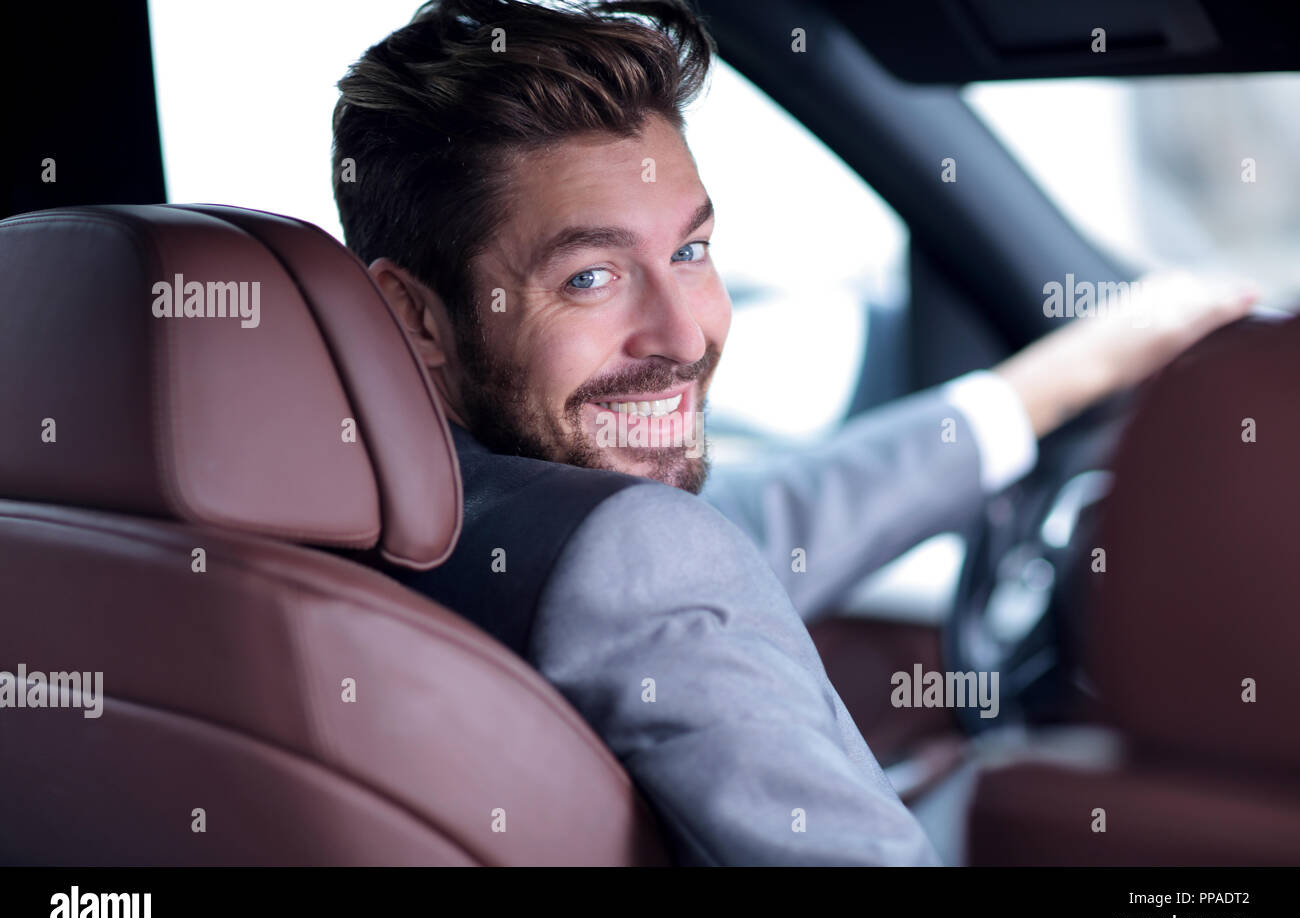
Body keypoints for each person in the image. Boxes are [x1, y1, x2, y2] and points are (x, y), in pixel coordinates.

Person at [331, 0, 1256, 864]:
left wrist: (1052, 383)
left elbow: (715, 542)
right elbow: (652, 569)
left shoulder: (368, 524)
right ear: (414, 315)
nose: (687, 336)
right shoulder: (622, 555)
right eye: (590, 278)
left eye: (690, 252)